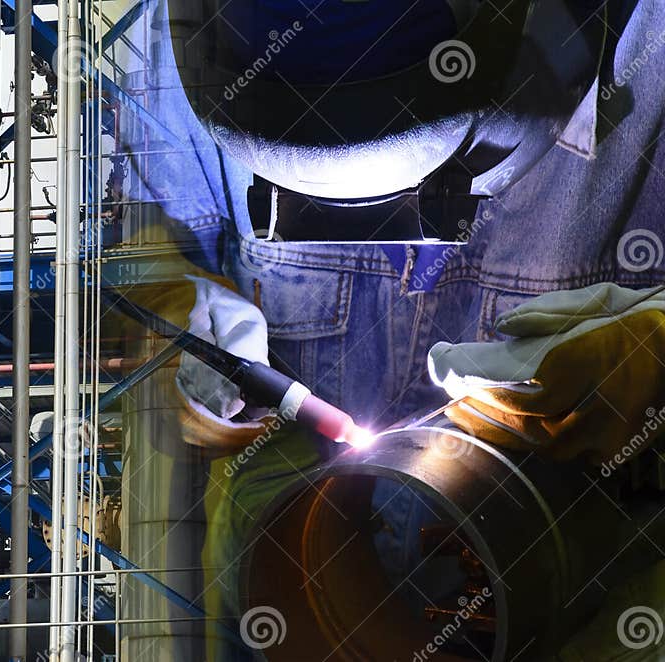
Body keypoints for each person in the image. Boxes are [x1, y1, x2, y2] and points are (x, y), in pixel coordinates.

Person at [109, 1, 665, 659]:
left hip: (588, 608)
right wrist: (171, 311)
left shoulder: (648, 41)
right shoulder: (176, 36)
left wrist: (648, 356)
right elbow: (141, 247)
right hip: (297, 604)